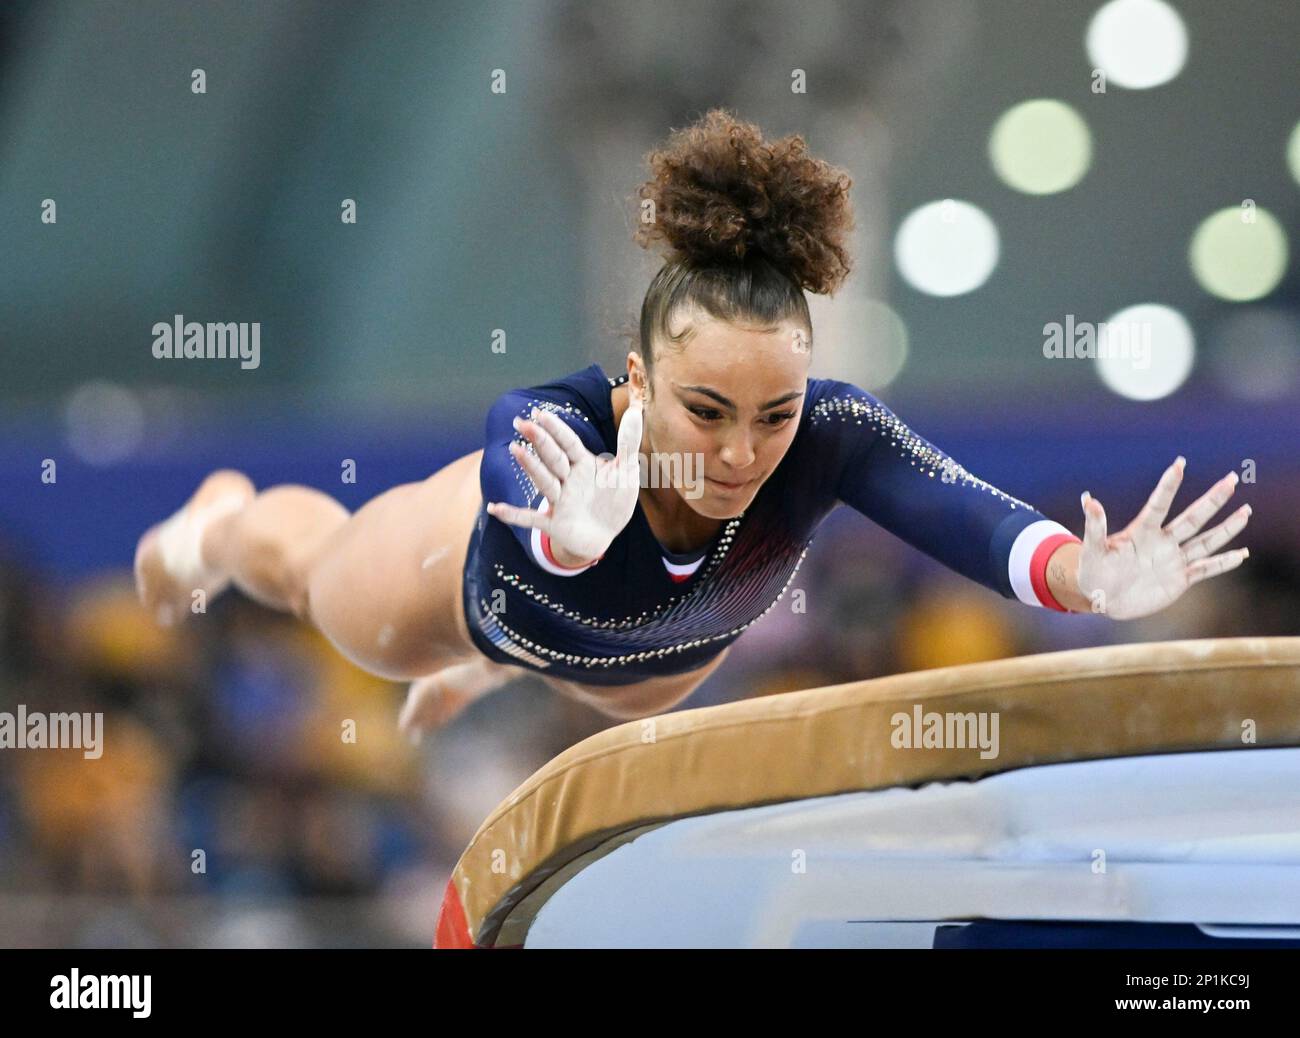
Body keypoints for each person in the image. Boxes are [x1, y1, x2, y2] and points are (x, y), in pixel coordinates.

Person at [134, 109, 1252, 738]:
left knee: (614, 682)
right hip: (455, 595)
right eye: (705, 410)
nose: (739, 452)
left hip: (640, 666)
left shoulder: (833, 437)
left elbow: (967, 518)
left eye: (772, 415)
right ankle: (218, 522)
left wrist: (1082, 580)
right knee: (314, 574)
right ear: (636, 382)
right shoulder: (550, 425)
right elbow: (536, 514)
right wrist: (570, 535)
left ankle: (510, 669)